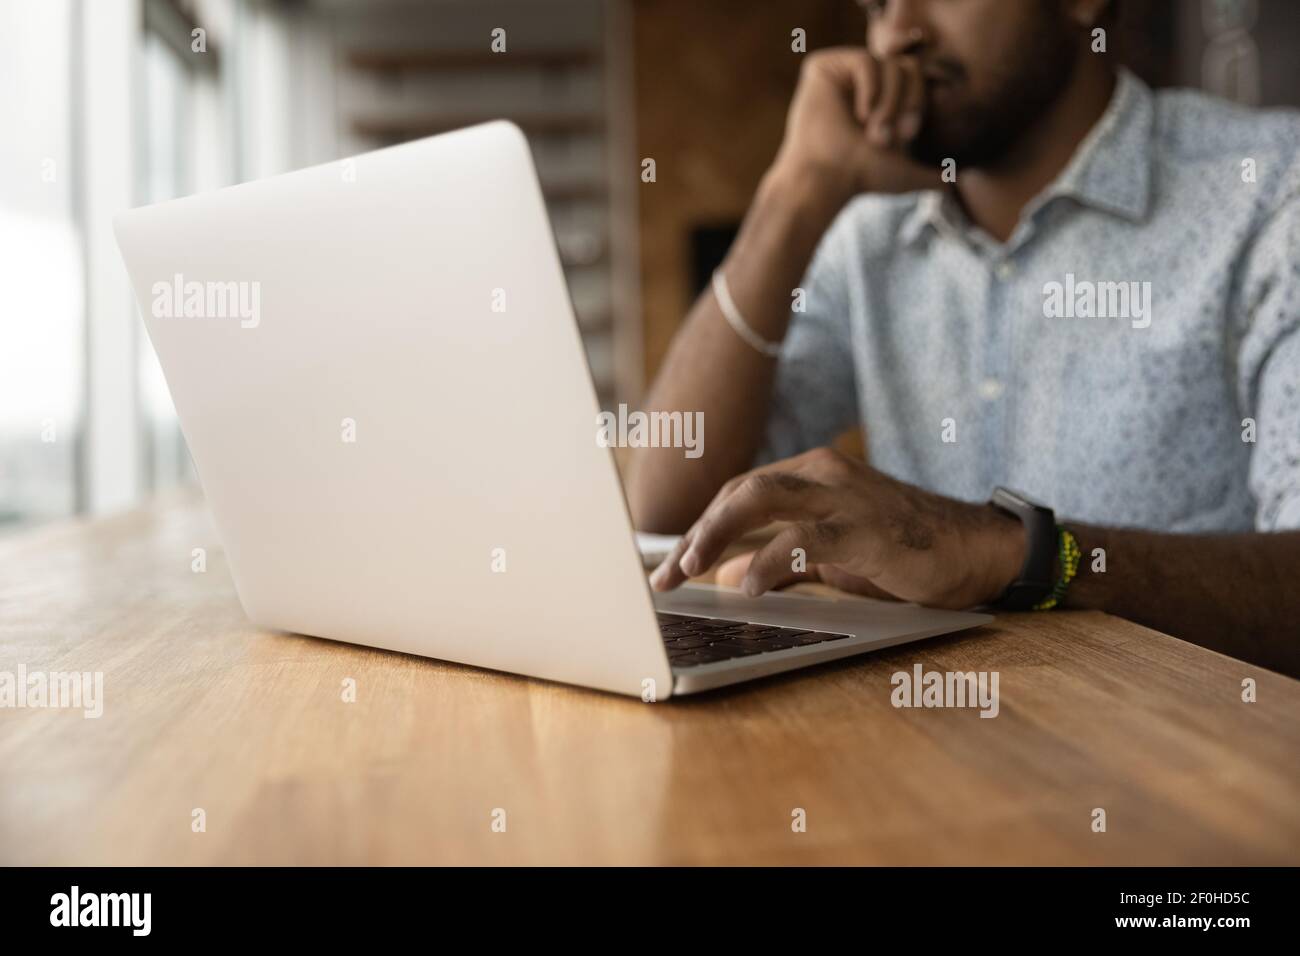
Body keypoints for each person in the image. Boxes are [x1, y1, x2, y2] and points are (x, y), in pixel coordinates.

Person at [625, 0, 1300, 678]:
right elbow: (667, 509)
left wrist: (1013, 553)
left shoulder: (1271, 189)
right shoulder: (870, 230)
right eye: (878, 5)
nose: (900, 33)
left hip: (1197, 765)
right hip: (931, 756)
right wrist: (796, 190)